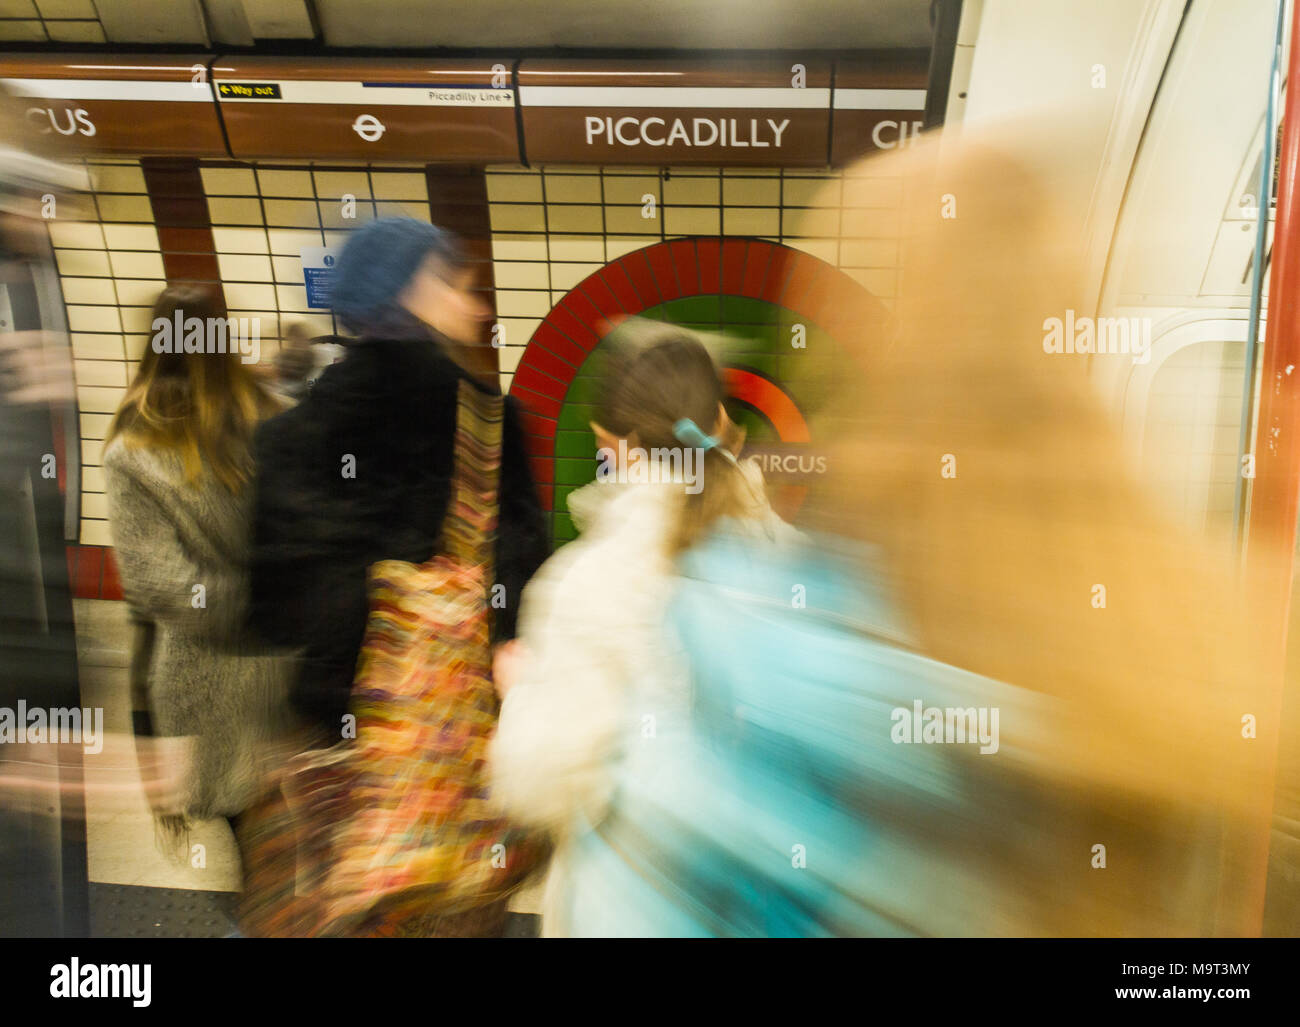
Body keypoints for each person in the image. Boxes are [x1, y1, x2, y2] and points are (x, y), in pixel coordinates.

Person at [489, 324, 797, 937]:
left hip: (637, 908)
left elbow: (539, 781)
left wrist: (522, 691)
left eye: (603, 450)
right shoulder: (786, 559)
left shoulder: (587, 583)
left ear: (624, 446)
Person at [250, 216, 550, 746]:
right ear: (411, 289)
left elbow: (272, 613)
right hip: (455, 727)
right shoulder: (489, 424)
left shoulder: (285, 436)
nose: (478, 307)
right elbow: (521, 587)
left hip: (337, 725)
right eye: (458, 285)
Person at [103, 285, 295, 840]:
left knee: (252, 858)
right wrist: (281, 600)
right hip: (290, 672)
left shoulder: (132, 451)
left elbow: (161, 586)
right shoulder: (277, 421)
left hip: (204, 684)